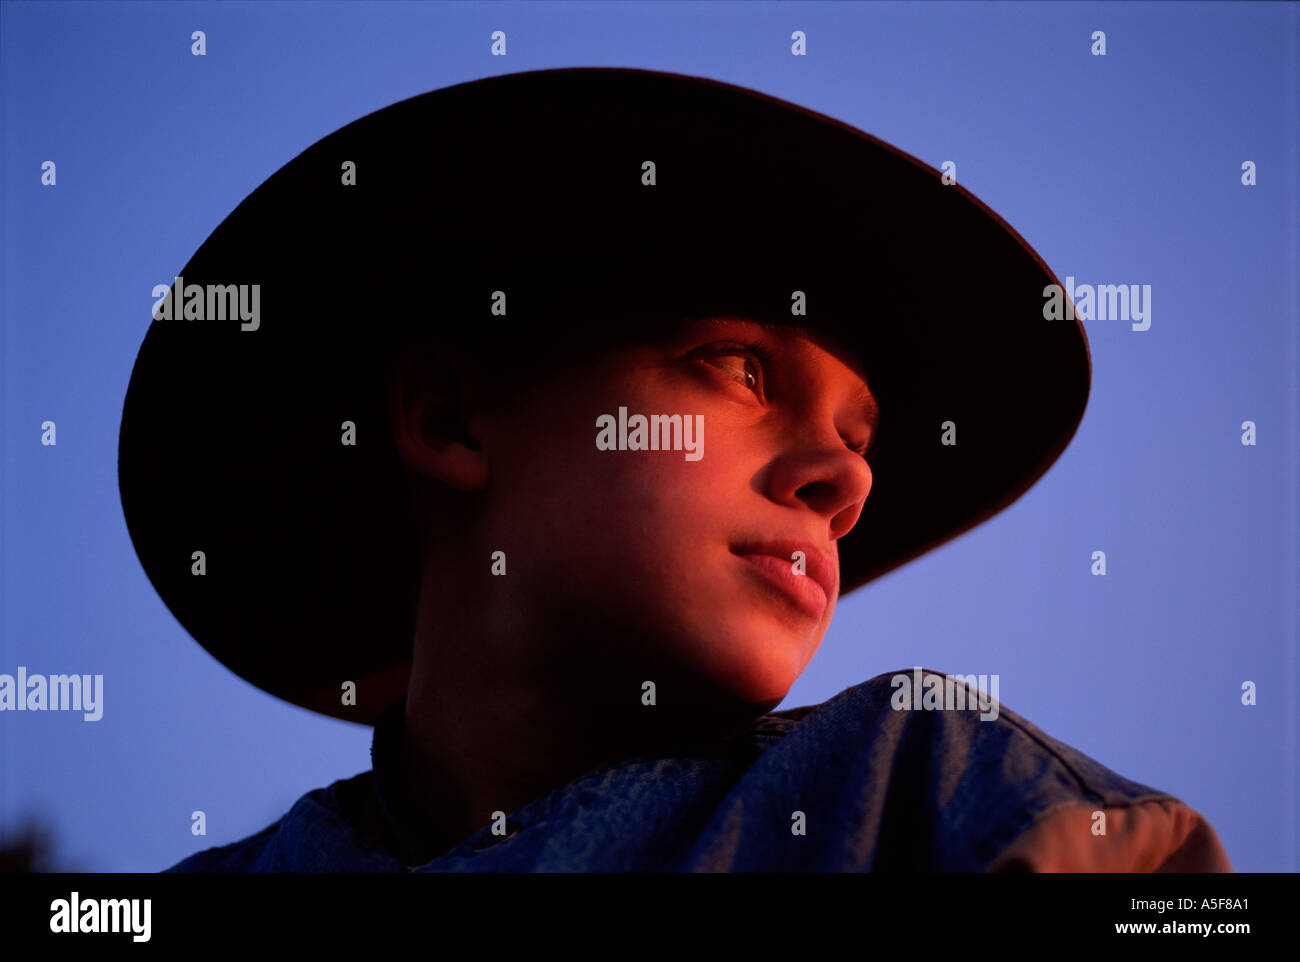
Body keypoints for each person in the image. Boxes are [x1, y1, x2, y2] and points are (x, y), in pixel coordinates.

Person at [118, 67, 1231, 872]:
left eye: (859, 437)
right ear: (454, 420)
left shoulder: (930, 795)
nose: (844, 482)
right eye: (737, 367)